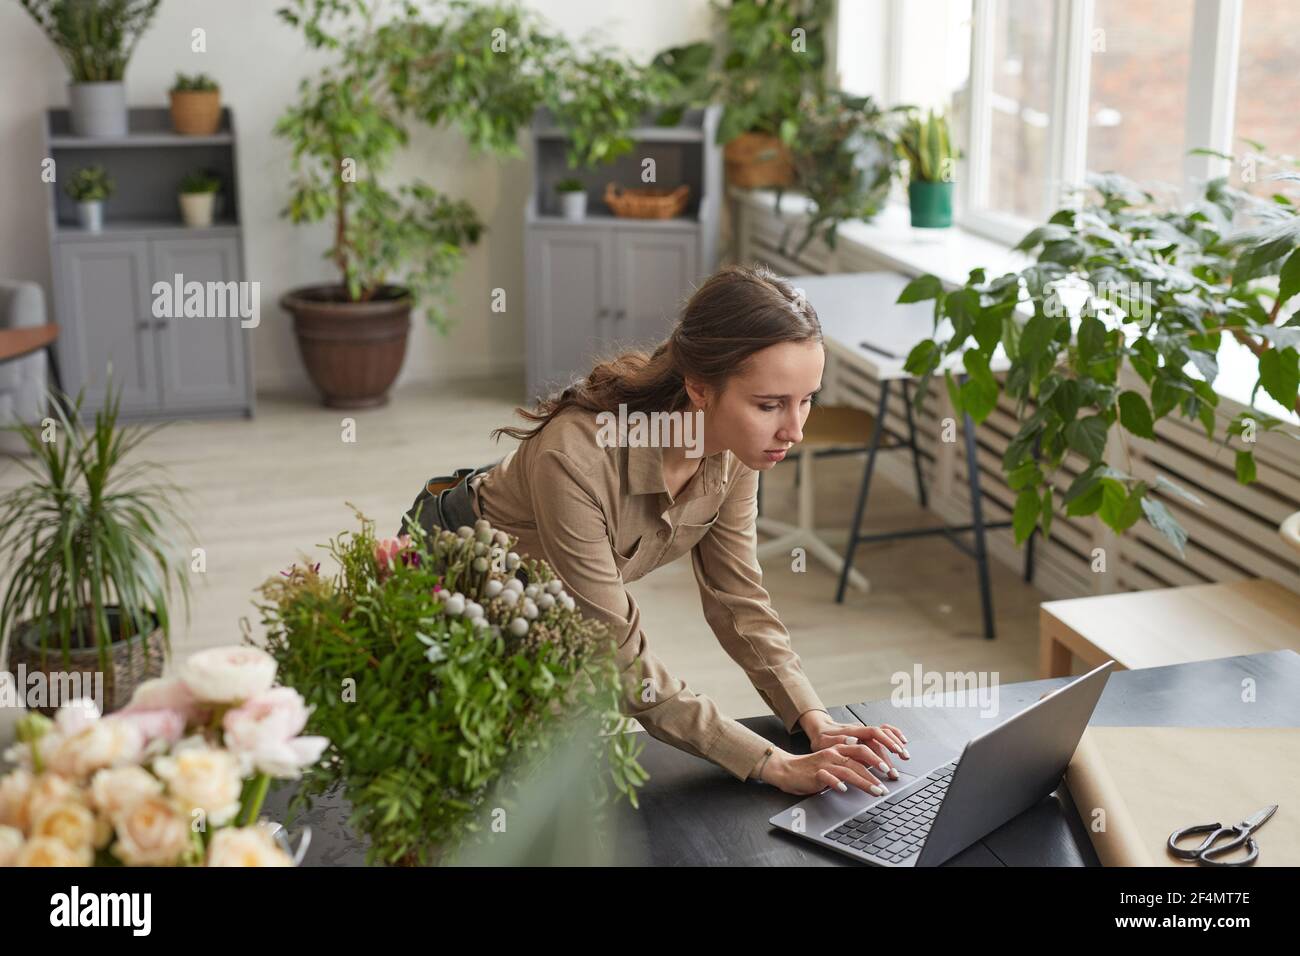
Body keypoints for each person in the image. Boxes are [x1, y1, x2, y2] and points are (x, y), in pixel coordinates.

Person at [406, 263, 909, 797]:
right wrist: (770, 762)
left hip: (554, 610)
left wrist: (812, 715)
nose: (796, 429)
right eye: (770, 405)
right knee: (459, 781)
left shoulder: (737, 450)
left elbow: (737, 596)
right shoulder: (576, 456)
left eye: (807, 398)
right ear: (699, 387)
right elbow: (621, 660)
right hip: (454, 582)